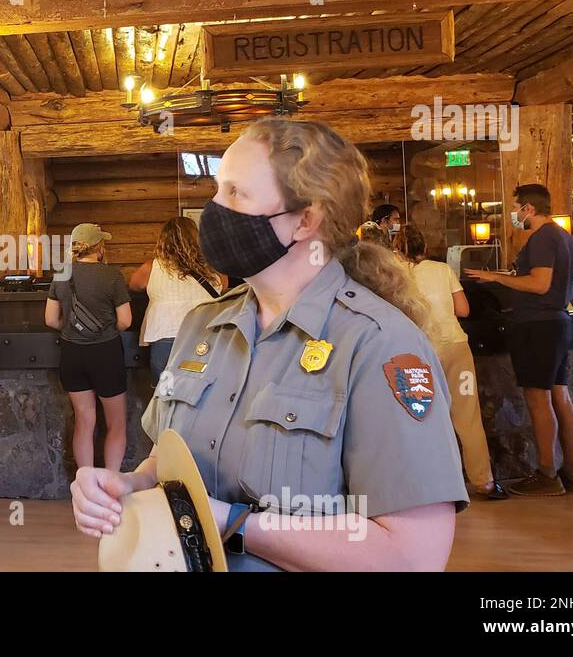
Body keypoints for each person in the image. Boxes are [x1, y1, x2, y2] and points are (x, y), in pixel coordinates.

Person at [70, 118, 468, 571]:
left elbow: (412, 557)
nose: (214, 210)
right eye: (218, 190)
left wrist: (232, 523)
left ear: (306, 220)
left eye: (235, 193)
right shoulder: (202, 324)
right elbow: (167, 456)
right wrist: (131, 485)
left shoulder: (379, 344)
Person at [465, 184, 573, 496]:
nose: (513, 214)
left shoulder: (543, 237)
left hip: (538, 325)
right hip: (557, 322)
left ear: (528, 208)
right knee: (560, 395)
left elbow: (540, 283)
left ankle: (546, 474)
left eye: (515, 207)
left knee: (538, 398)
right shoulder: (564, 236)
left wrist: (495, 277)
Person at [396, 226, 506, 500]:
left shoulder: (394, 275)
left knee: (421, 417)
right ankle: (484, 482)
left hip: (419, 353)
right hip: (456, 348)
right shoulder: (442, 269)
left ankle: (430, 486)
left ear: (396, 250)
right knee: (468, 417)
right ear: (424, 247)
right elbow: (463, 310)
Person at [46, 223, 132, 472]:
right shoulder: (112, 276)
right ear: (99, 247)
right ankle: (111, 482)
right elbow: (125, 320)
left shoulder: (61, 274)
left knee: (84, 421)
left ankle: (85, 483)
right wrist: (104, 330)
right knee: (116, 424)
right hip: (105, 353)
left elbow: (50, 319)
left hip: (72, 353)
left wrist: (71, 329)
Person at [129, 216, 223, 386]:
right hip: (204, 334)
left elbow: (134, 285)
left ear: (163, 241)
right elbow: (222, 287)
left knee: (165, 390)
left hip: (166, 334)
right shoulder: (214, 269)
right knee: (200, 387)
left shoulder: (151, 268)